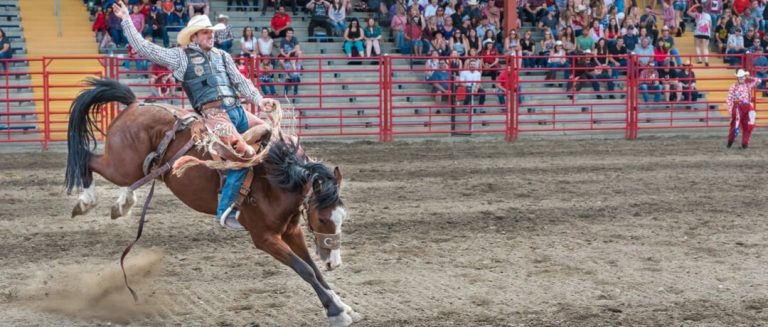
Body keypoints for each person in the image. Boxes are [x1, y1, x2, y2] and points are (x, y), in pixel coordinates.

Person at [112, 2, 275, 230]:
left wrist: (259, 100)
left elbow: (240, 81)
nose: (211, 36)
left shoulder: (223, 56)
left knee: (270, 134)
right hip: (214, 114)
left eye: (212, 32)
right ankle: (225, 209)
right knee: (243, 153)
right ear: (194, 37)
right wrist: (126, 19)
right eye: (206, 32)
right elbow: (144, 49)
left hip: (237, 110)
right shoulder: (181, 57)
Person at [726, 69, 762, 149]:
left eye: (742, 77)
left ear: (744, 77)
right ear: (737, 78)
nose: (741, 78)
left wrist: (749, 77)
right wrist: (730, 110)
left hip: (747, 107)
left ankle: (744, 144)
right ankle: (730, 142)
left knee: (747, 126)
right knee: (734, 126)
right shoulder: (733, 86)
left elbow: (759, 80)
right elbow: (729, 99)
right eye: (740, 77)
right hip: (737, 108)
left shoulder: (748, 85)